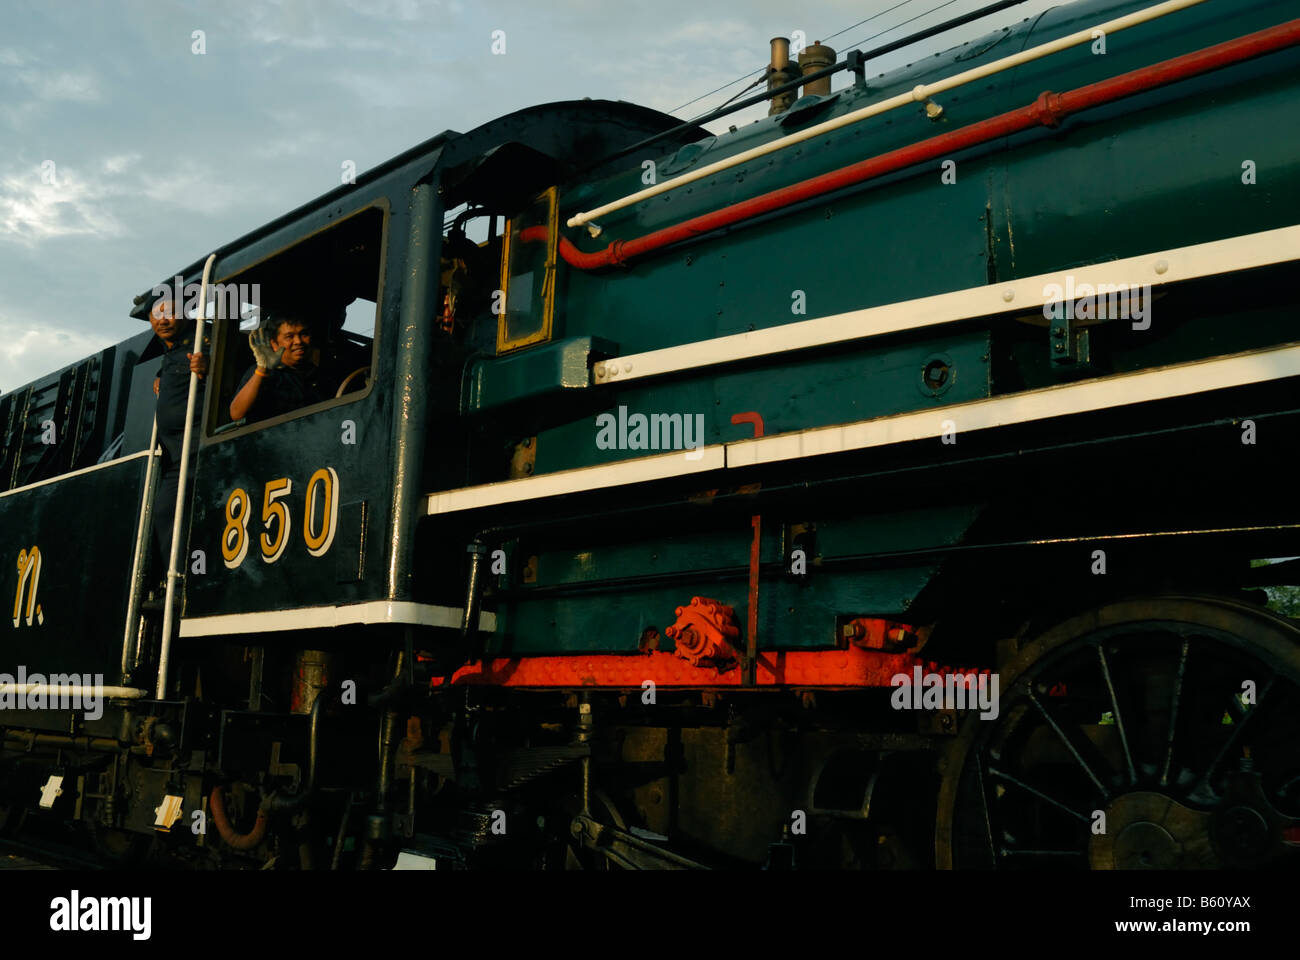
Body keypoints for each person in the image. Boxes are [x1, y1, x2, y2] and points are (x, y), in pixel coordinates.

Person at [146, 296, 207, 568]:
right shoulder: (169, 350)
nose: (163, 320)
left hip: (197, 447)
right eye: (157, 314)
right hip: (174, 452)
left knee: (171, 511)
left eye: (170, 313)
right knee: (162, 513)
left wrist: (209, 367)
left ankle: (182, 579)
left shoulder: (204, 340)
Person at [228, 315, 329, 423]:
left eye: (303, 334)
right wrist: (262, 369)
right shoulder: (263, 373)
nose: (298, 341)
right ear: (274, 344)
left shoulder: (321, 376)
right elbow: (236, 413)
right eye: (289, 336)